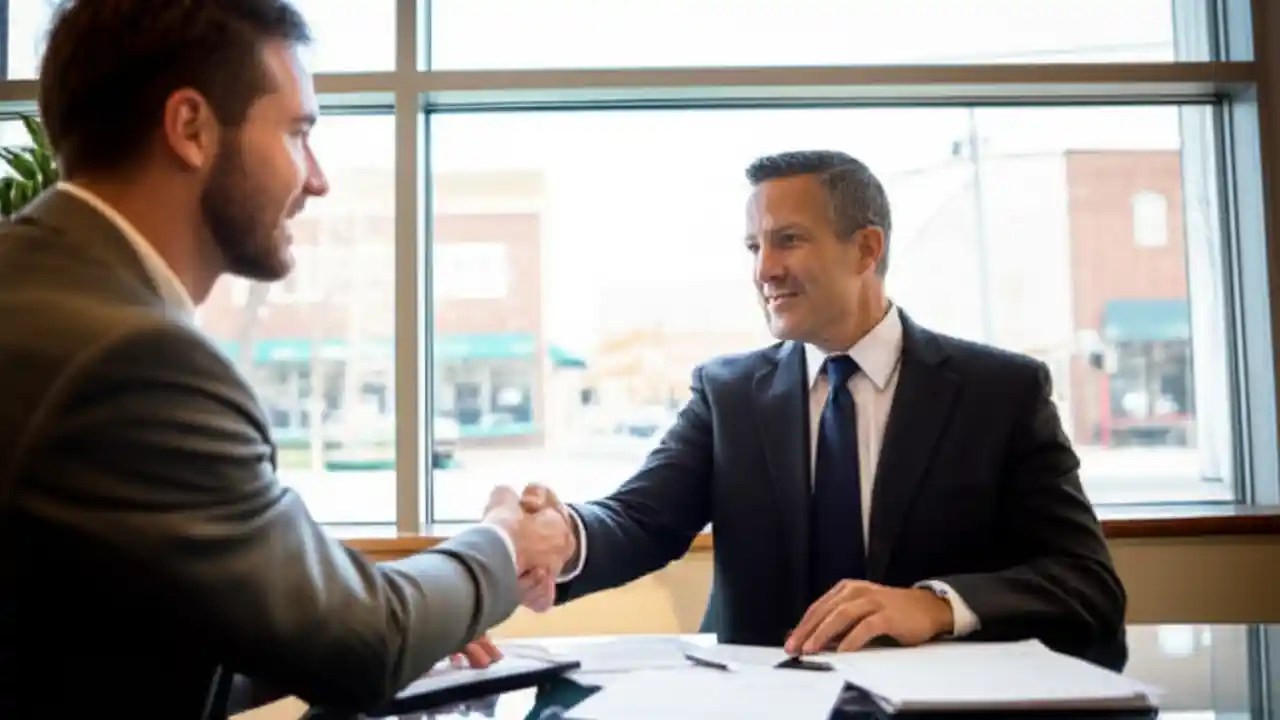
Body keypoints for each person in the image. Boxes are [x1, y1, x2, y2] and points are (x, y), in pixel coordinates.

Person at [0, 1, 571, 717]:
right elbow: (368, 642)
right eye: (299, 133)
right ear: (191, 128)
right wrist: (501, 540)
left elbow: (97, 662)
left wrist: (315, 638)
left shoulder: (39, 287)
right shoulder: (133, 357)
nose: (317, 178)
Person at [519, 150, 1128, 670]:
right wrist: (564, 537)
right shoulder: (727, 393)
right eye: (755, 246)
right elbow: (641, 518)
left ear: (865, 248)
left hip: (935, 703)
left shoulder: (1000, 391)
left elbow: (1086, 584)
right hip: (761, 701)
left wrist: (935, 604)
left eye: (788, 240)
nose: (763, 270)